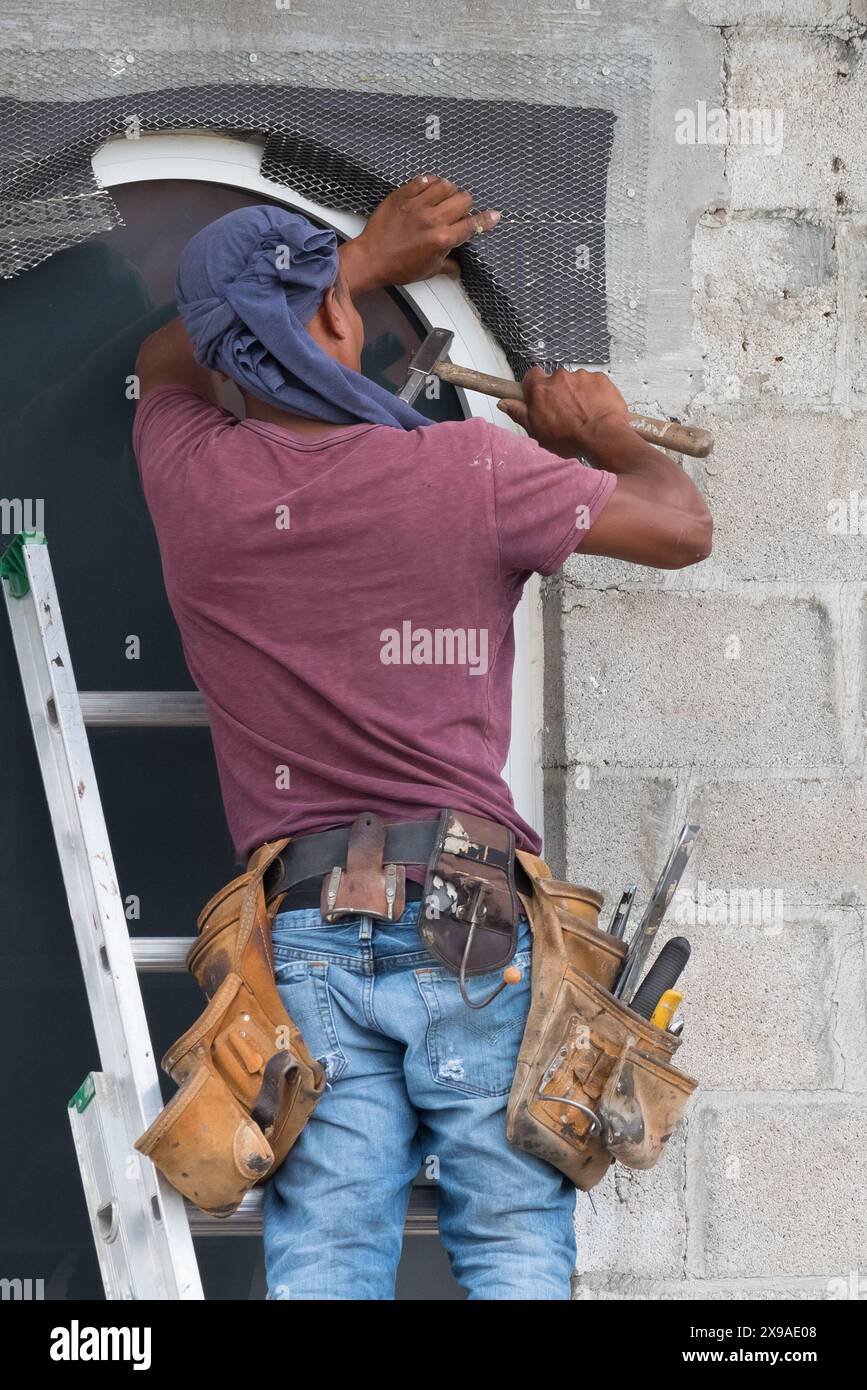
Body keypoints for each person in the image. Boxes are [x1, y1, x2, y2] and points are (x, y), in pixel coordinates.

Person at [133, 174, 712, 1300]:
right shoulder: (470, 472)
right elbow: (685, 528)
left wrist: (345, 270)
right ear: (339, 326)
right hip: (471, 926)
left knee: (328, 1258)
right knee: (507, 1247)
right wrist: (602, 438)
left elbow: (169, 356)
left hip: (300, 936)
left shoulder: (189, 475)